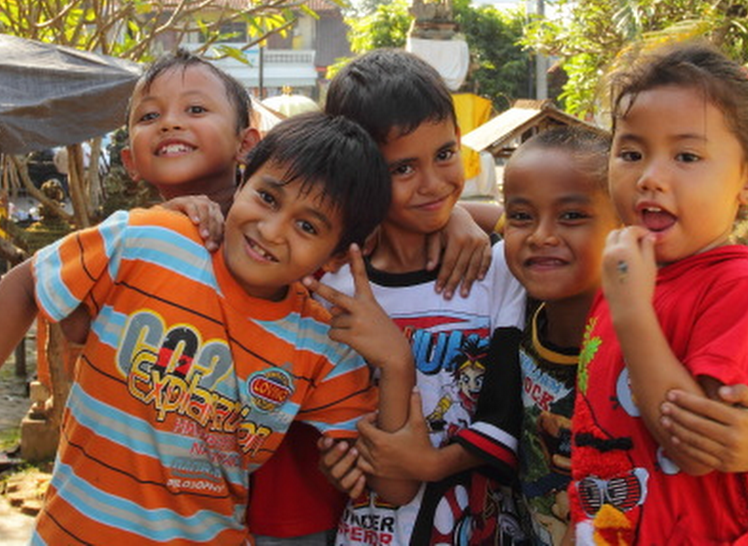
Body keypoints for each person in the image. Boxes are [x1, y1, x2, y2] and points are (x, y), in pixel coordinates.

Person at [0, 111, 418, 544]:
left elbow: (393, 487)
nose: (272, 230)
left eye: (308, 227)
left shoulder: (321, 343)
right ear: (242, 181)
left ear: (337, 256)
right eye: (267, 198)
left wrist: (396, 362)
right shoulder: (151, 240)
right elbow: (23, 286)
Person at [312, 49, 526, 545]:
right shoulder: (335, 290)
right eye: (403, 168)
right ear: (360, 171)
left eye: (446, 154)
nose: (434, 184)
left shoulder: (497, 269)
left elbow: (507, 411)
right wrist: (336, 461)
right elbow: (339, 441)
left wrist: (466, 216)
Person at [569, 41, 748, 543]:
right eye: (631, 153)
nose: (650, 177)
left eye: (687, 155)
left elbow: (694, 447)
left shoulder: (734, 287)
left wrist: (631, 312)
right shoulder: (630, 269)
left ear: (743, 180)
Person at [501, 126, 619, 545]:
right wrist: (458, 216)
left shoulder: (638, 346)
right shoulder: (520, 304)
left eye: (571, 216)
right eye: (522, 216)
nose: (541, 235)